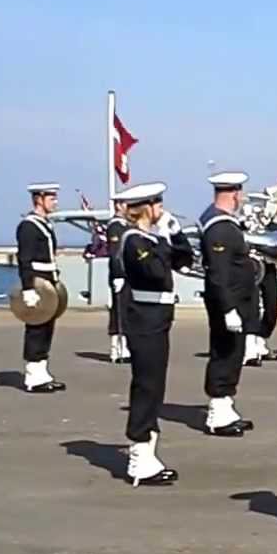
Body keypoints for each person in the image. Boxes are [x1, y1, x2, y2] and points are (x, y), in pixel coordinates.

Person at [114, 182, 193, 486]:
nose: (162, 210)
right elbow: (158, 272)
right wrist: (164, 241)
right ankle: (139, 455)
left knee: (155, 383)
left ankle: (148, 453)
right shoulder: (134, 241)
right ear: (146, 207)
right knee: (146, 384)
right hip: (143, 318)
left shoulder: (151, 239)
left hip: (158, 317)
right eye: (157, 204)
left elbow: (183, 261)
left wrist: (175, 234)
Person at [199, 172, 257, 437]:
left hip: (236, 299)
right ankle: (217, 411)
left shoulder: (223, 223)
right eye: (240, 193)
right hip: (228, 301)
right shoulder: (220, 227)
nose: (241, 198)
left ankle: (226, 405)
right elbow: (218, 273)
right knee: (225, 352)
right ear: (234, 194)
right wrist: (227, 308)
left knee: (234, 352)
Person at [15, 182, 66, 393]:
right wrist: (28, 289)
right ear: (39, 199)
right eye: (51, 198)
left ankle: (42, 372)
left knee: (47, 328)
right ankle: (32, 376)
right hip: (37, 282)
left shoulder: (44, 224)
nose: (55, 202)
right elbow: (24, 259)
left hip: (49, 281)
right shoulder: (28, 226)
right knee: (36, 328)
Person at [105, 201, 132, 363]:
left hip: (127, 275)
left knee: (126, 311)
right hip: (120, 275)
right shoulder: (115, 226)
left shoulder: (125, 226)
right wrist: (118, 275)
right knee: (119, 312)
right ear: (119, 206)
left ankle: (124, 348)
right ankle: (118, 349)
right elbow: (116, 253)